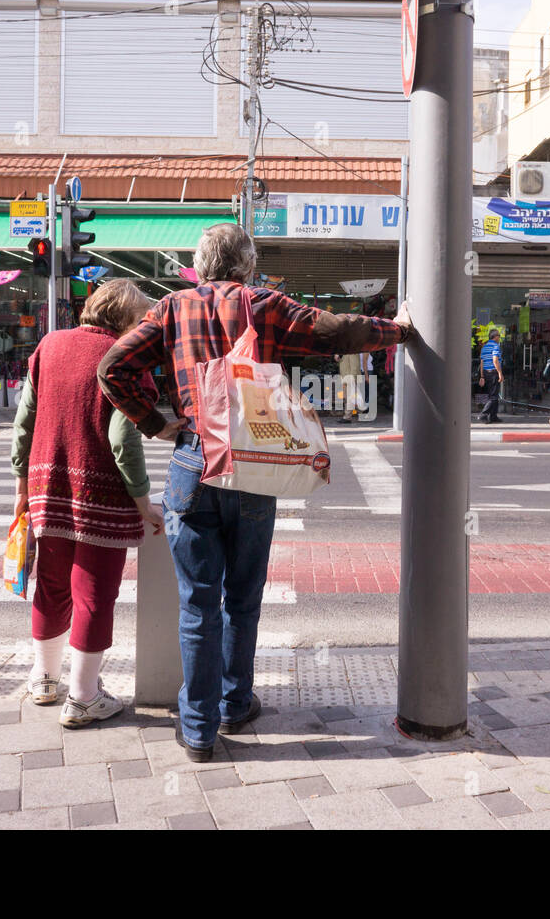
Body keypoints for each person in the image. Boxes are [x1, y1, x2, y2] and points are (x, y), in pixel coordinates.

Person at [99, 223, 414, 761]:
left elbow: (113, 368)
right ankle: (236, 702)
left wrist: (155, 423)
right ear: (246, 266)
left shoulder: (171, 309)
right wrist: (398, 330)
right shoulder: (265, 305)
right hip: (252, 465)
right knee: (242, 600)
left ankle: (198, 731)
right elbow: (337, 331)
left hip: (194, 462)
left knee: (198, 604)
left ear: (200, 267)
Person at [11, 280, 165, 729]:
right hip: (99, 495)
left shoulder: (49, 345)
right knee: (94, 596)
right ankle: (82, 697)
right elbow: (122, 440)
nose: (144, 331)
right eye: (141, 322)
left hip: (46, 486)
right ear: (124, 321)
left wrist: (21, 486)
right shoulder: (126, 360)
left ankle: (43, 680)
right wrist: (143, 503)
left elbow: (24, 421)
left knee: (52, 586)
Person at [478, 328, 503, 423]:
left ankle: (493, 416)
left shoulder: (484, 347)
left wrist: (482, 376)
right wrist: (500, 373)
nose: (499, 338)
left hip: (486, 372)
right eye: (499, 336)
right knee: (493, 396)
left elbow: (482, 362)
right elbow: (495, 360)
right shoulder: (496, 346)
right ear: (495, 337)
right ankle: (483, 414)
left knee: (493, 394)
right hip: (493, 373)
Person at [335, 351, 368, 422]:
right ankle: (361, 411)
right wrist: (337, 357)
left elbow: (355, 366)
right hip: (345, 377)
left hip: (351, 377)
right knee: (353, 396)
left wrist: (353, 378)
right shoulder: (343, 352)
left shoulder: (353, 351)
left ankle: (347, 417)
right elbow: (344, 365)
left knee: (350, 397)